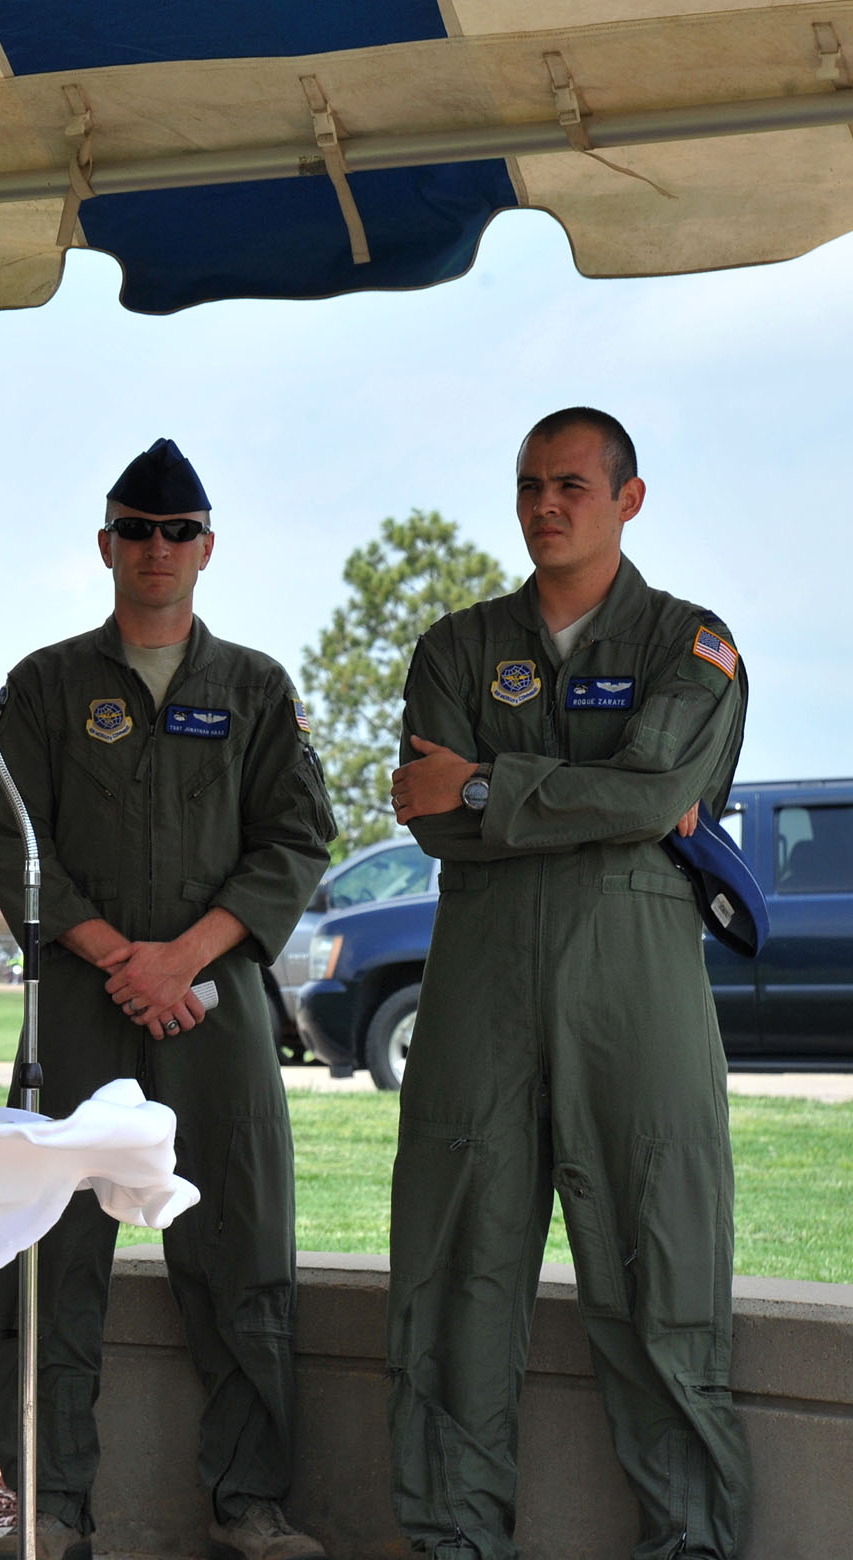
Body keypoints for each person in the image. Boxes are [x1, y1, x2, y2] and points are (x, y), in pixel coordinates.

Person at [386, 409, 750, 1560]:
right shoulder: (454, 650)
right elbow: (427, 819)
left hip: (632, 992)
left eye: (575, 486)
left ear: (628, 500)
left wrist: (490, 788)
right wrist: (590, 803)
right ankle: (451, 1538)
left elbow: (650, 796)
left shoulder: (690, 644)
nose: (549, 504)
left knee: (664, 1268)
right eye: (532, 485)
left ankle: (692, 1542)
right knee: (457, 1277)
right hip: (479, 991)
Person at [0, 438, 337, 1560]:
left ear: (207, 549)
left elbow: (295, 840)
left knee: (240, 1245)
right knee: (51, 1254)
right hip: (81, 1008)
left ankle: (249, 1502)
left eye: (179, 532)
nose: (157, 550)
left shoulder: (256, 688)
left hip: (213, 1008)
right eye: (137, 529)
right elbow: (12, 842)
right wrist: (118, 958)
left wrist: (181, 959)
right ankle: (52, 1505)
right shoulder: (43, 687)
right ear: (106, 544)